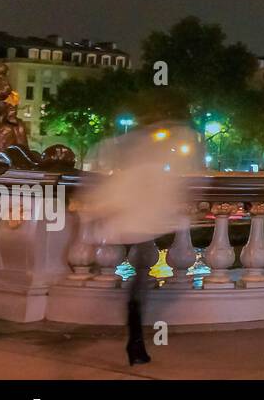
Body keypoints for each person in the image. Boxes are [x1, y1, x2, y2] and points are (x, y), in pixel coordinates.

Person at [80, 114, 197, 365]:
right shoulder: (154, 169)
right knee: (141, 277)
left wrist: (98, 213)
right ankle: (136, 340)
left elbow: (116, 197)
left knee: (140, 278)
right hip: (144, 229)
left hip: (134, 227)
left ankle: (135, 339)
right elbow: (167, 197)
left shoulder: (134, 167)